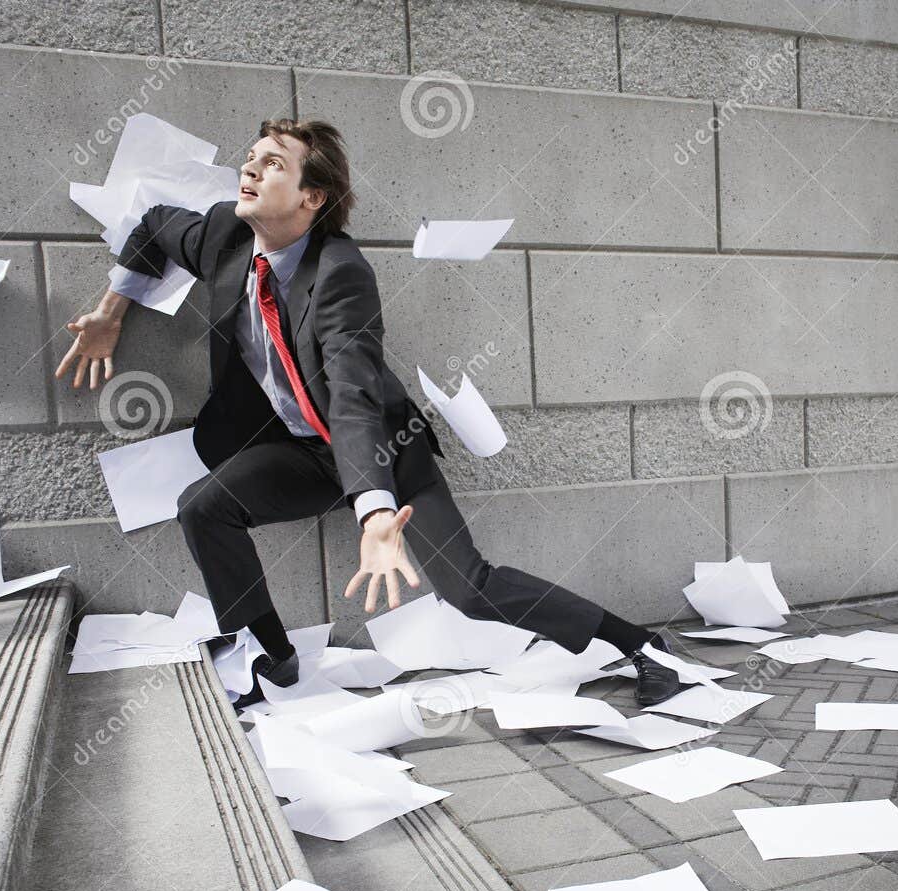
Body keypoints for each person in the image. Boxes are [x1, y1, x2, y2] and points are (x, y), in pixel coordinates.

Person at [56, 117, 679, 709]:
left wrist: (377, 511)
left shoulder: (341, 274)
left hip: (382, 449)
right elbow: (154, 224)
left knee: (468, 588)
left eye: (272, 164)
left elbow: (353, 396)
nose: (249, 170)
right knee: (203, 506)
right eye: (250, 158)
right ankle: (271, 655)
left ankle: (640, 645)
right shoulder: (224, 234)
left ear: (311, 198)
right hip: (299, 451)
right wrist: (111, 313)